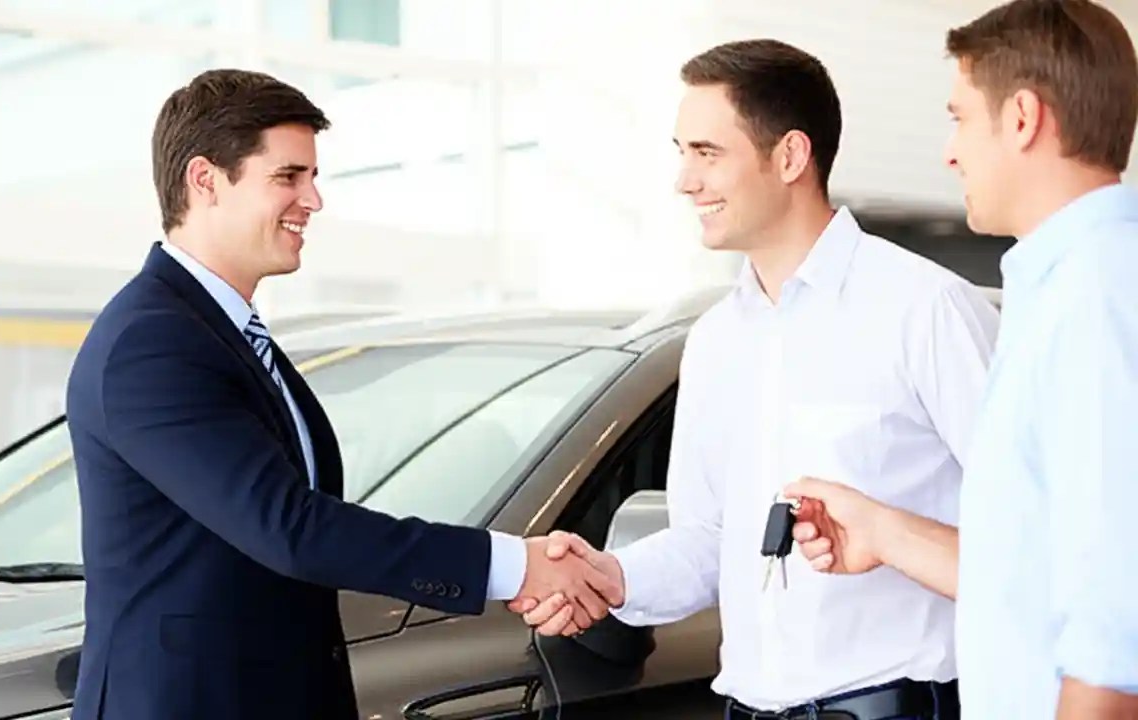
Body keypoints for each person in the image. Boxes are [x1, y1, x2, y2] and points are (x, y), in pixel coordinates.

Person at [63, 69, 622, 720]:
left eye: (312, 177)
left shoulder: (220, 333)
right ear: (205, 180)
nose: (314, 200)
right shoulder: (153, 342)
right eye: (289, 176)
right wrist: (514, 566)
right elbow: (291, 527)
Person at [510, 39, 998, 719]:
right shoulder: (715, 341)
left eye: (707, 154)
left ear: (791, 156)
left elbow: (1034, 534)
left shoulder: (927, 310)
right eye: (681, 152)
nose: (684, 181)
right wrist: (612, 576)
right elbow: (710, 538)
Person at [783, 1, 1138, 718]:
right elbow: (1034, 571)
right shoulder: (1061, 287)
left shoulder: (1099, 291)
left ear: (1022, 119)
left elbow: (1116, 630)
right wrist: (881, 531)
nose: (949, 151)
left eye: (959, 117)